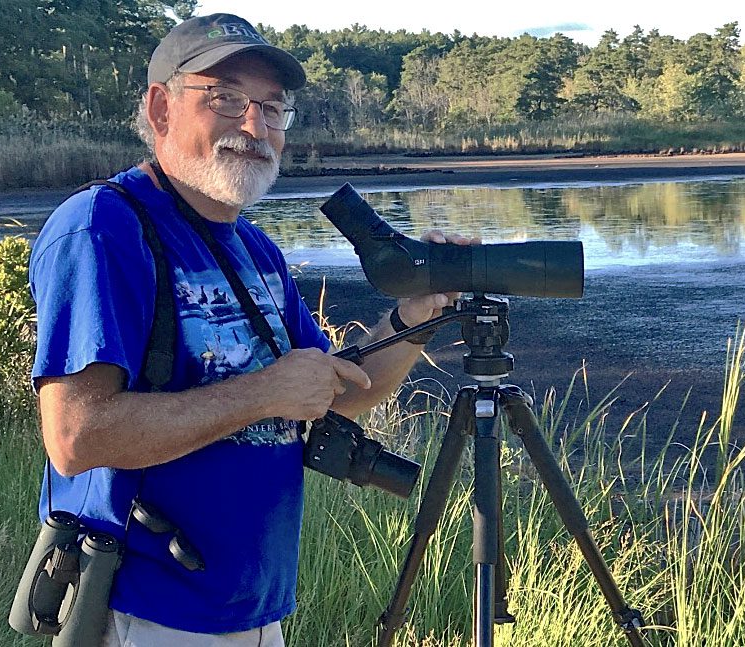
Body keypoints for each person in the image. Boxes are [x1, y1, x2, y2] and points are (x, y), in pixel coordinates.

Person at [29, 13, 475, 647]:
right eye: (227, 98)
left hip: (256, 608)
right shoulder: (103, 228)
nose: (254, 126)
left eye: (272, 108)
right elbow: (75, 436)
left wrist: (415, 316)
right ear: (161, 108)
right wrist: (263, 394)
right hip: (147, 610)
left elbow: (342, 390)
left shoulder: (256, 250)